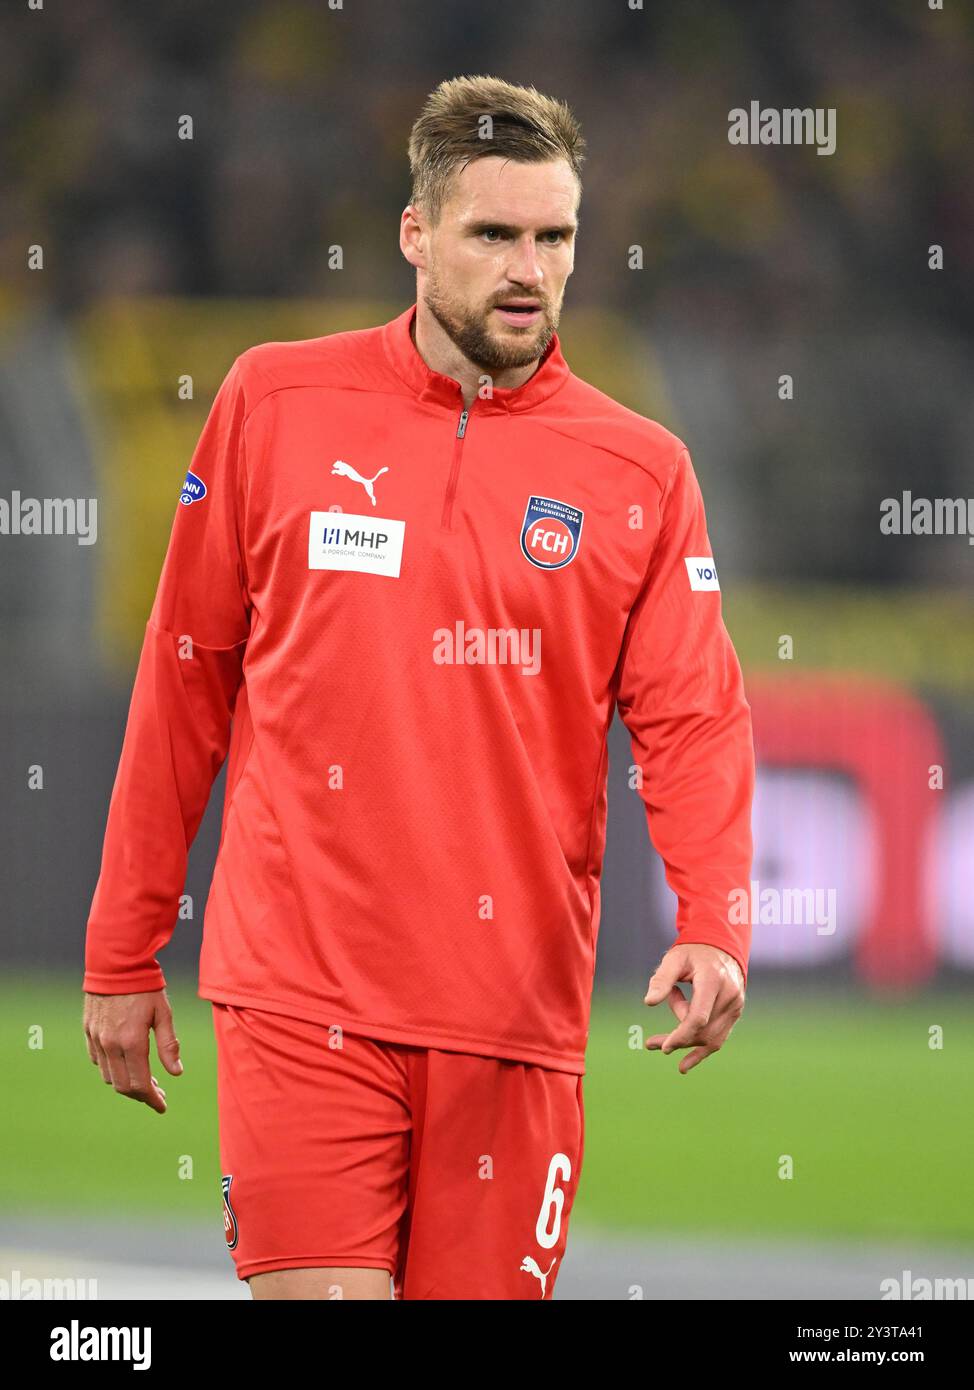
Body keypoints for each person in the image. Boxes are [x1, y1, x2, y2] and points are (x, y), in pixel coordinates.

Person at [83, 74, 754, 1301]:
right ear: (414, 234)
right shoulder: (272, 403)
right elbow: (185, 681)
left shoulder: (639, 469)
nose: (528, 269)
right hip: (299, 990)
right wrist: (124, 948)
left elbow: (692, 717)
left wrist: (714, 920)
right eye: (493, 233)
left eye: (553, 237)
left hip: (513, 1020)